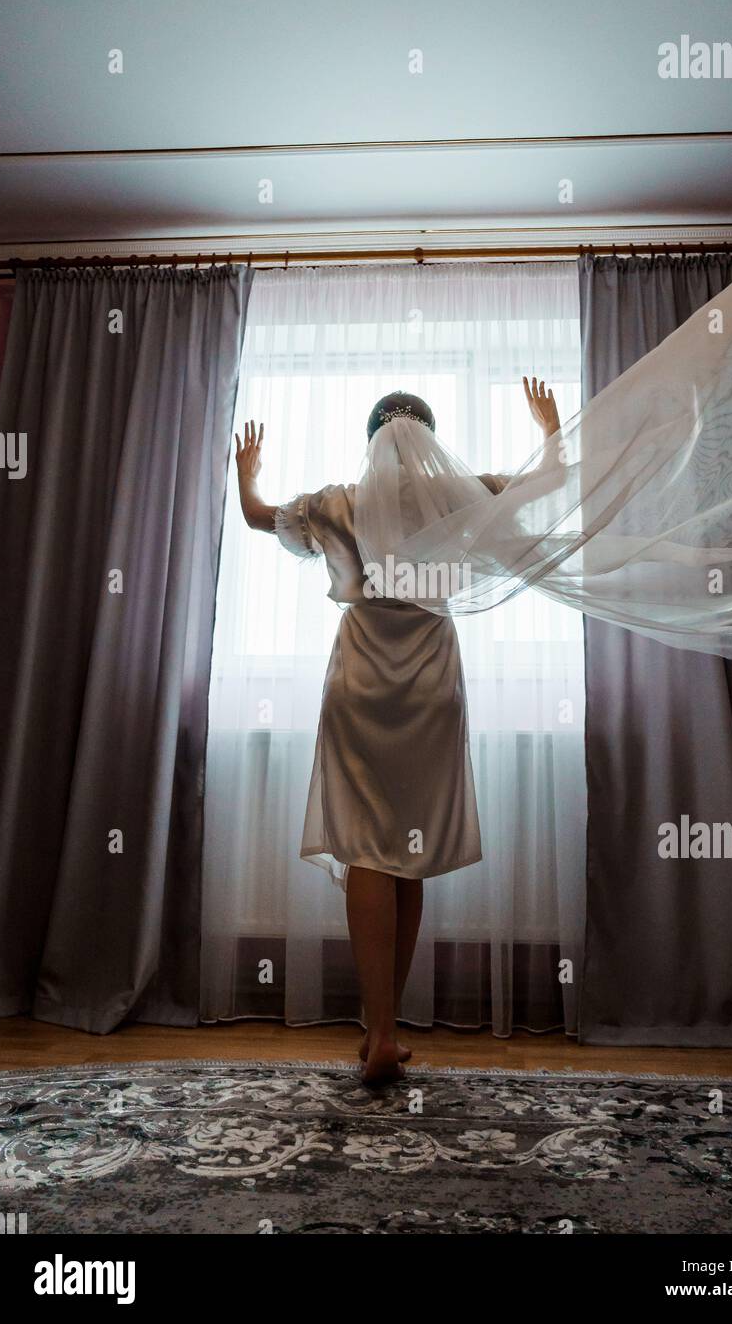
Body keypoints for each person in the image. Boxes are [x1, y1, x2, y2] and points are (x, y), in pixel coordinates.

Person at [235, 378, 560, 1085]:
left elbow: (259, 517)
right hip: (432, 685)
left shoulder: (335, 503)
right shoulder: (459, 496)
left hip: (359, 683)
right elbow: (552, 481)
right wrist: (550, 428)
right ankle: (383, 1031)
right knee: (406, 852)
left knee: (367, 850)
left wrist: (247, 472)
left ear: (372, 439)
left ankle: (378, 1030)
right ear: (431, 444)